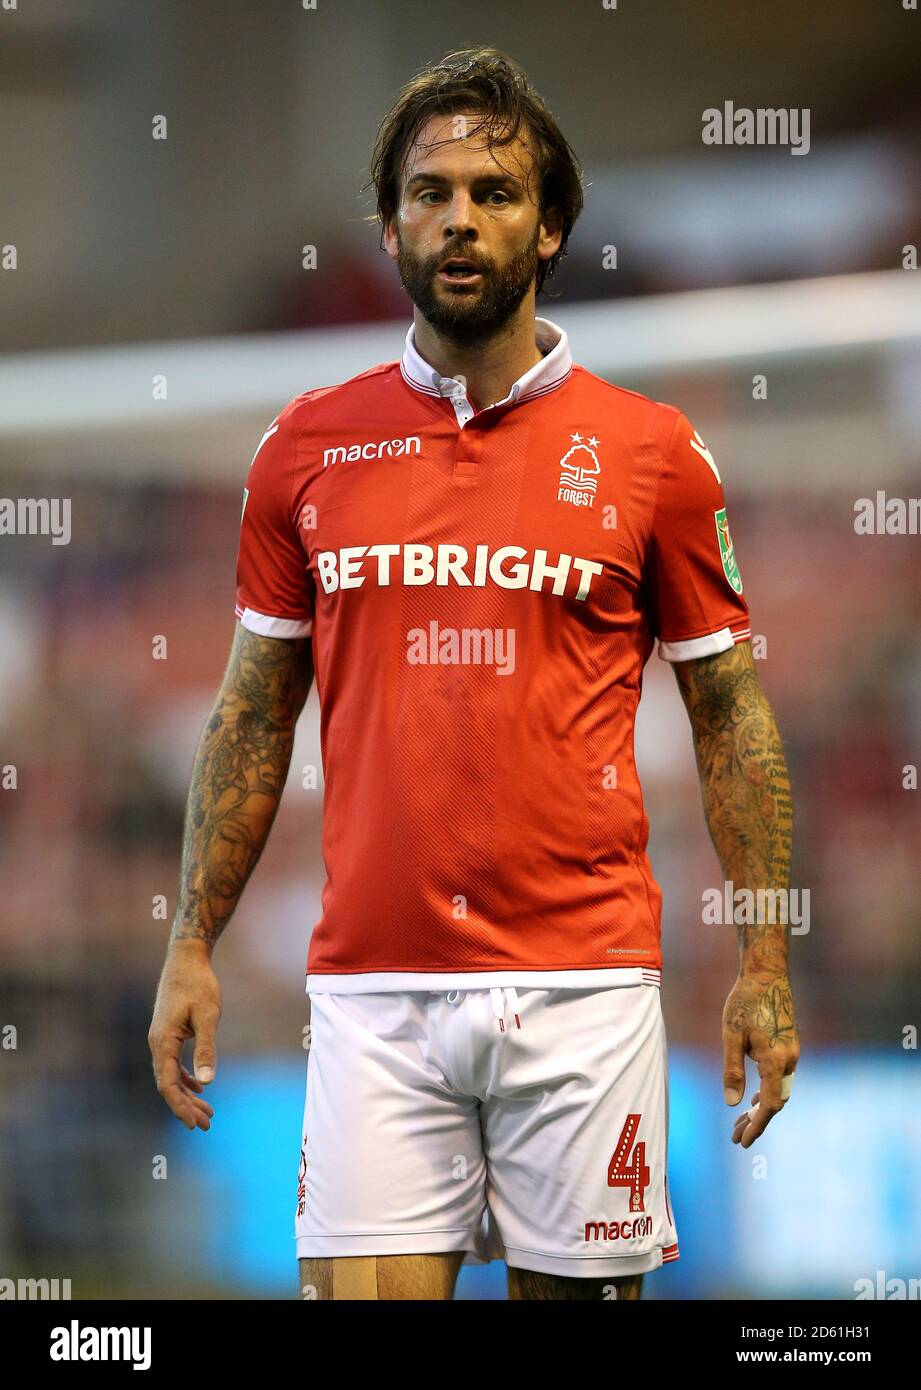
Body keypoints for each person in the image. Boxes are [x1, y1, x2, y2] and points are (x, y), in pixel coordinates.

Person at [148, 46, 799, 1302]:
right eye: (431, 190)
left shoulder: (652, 454)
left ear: (551, 226)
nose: (460, 216)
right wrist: (190, 939)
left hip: (585, 989)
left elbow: (731, 715)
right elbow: (251, 710)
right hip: (374, 994)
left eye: (495, 193)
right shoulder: (304, 448)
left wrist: (766, 962)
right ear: (390, 226)